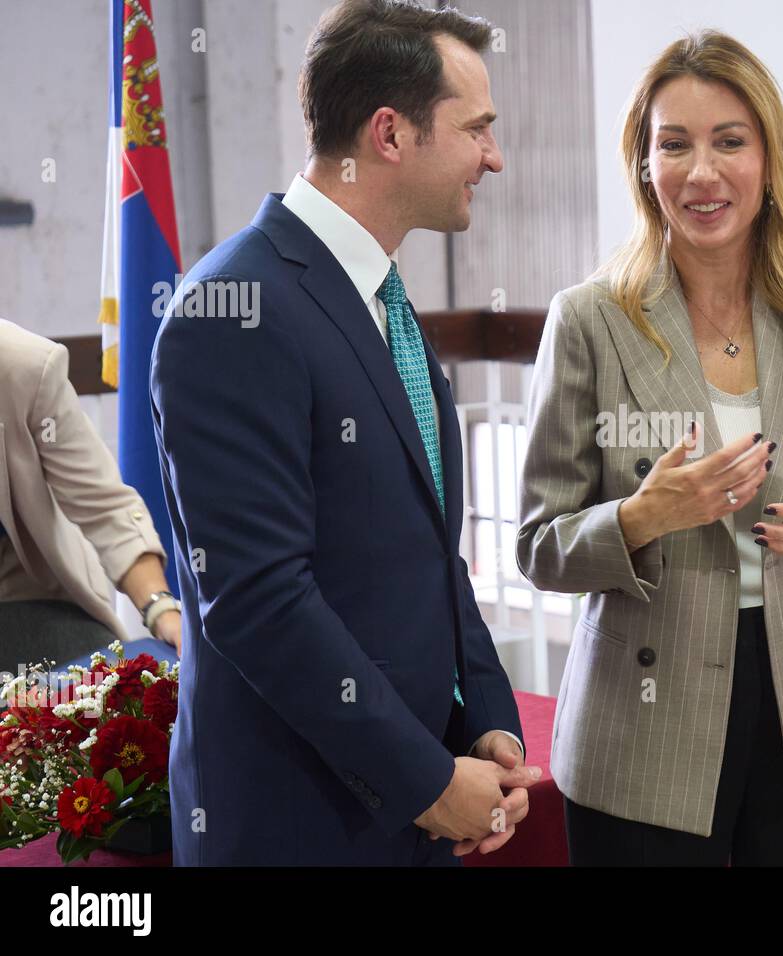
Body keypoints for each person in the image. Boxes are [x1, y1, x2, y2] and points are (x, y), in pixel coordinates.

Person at [516, 30, 783, 865]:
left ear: (769, 160)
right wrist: (639, 518)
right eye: (674, 144)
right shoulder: (589, 321)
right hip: (643, 723)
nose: (702, 173)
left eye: (729, 142)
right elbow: (537, 545)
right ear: (643, 165)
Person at [150, 0, 537, 866]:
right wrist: (427, 783)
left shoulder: (382, 305)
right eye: (477, 129)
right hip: (297, 823)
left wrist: (486, 722)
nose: (494, 157)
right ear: (391, 134)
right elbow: (257, 600)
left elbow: (434, 558)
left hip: (402, 811)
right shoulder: (233, 309)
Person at [0, 319, 179, 668]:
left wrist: (161, 607)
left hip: (22, 593)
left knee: (120, 693)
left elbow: (105, 507)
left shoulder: (25, 367)